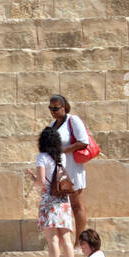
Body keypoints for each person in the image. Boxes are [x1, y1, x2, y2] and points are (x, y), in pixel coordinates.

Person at [26, 126, 76, 257]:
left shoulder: (42, 157)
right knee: (66, 238)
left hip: (49, 200)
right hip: (63, 199)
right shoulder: (62, 156)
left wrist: (32, 177)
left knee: (53, 239)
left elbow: (41, 182)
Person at [48, 95, 92, 238]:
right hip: (58, 169)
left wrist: (63, 150)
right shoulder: (51, 125)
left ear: (64, 107)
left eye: (56, 108)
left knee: (76, 204)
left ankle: (79, 241)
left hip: (72, 167)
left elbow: (83, 141)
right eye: (50, 108)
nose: (53, 111)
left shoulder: (73, 121)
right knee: (61, 206)